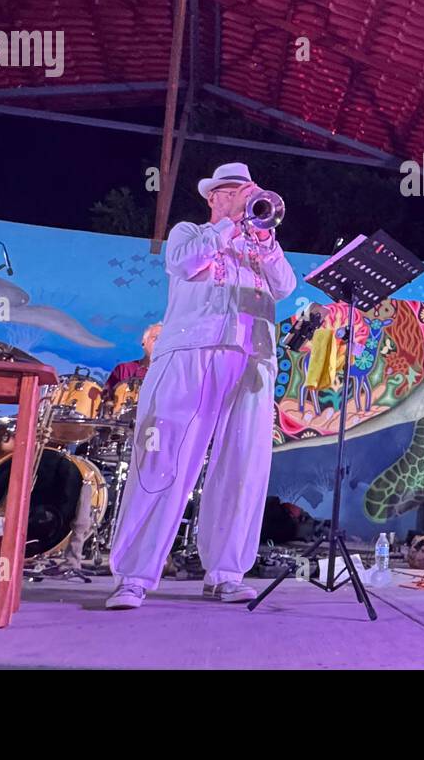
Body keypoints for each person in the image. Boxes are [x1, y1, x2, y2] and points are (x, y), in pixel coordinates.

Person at [105, 162, 296, 609]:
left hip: (251, 361)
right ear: (214, 197)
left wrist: (265, 241)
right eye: (234, 191)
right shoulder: (188, 232)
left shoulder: (258, 244)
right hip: (190, 355)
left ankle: (227, 572)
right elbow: (183, 264)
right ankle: (134, 574)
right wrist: (230, 226)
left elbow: (285, 287)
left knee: (242, 470)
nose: (246, 198)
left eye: (250, 191)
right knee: (162, 463)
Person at [102, 322, 162, 410]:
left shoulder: (175, 376)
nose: (161, 343)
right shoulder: (123, 369)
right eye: (156, 338)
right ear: (143, 342)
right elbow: (104, 401)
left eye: (165, 340)